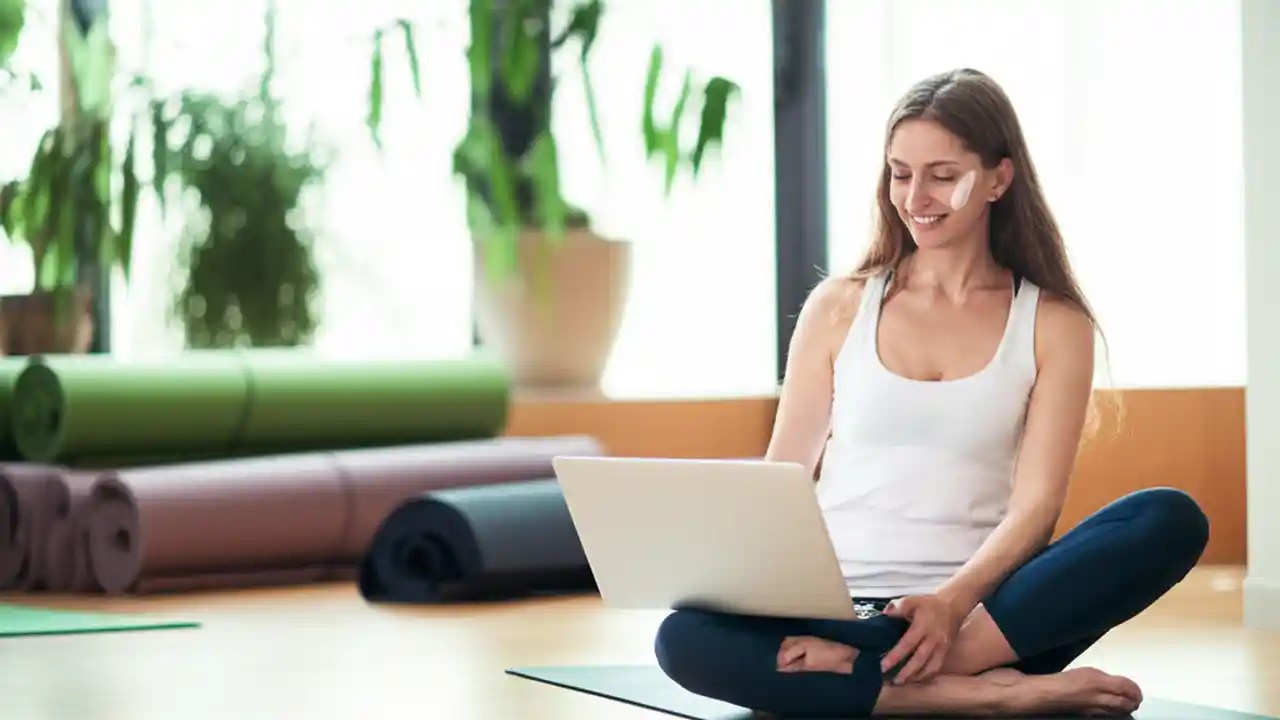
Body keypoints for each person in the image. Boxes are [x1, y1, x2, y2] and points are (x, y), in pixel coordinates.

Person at [652, 68, 1210, 718]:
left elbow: (1036, 509)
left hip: (981, 619)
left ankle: (881, 676)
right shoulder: (838, 307)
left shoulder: (1054, 323)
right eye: (900, 173)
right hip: (832, 608)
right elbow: (785, 475)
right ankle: (981, 698)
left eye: (943, 175)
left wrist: (948, 605)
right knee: (679, 637)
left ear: (999, 178)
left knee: (1167, 519)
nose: (916, 196)